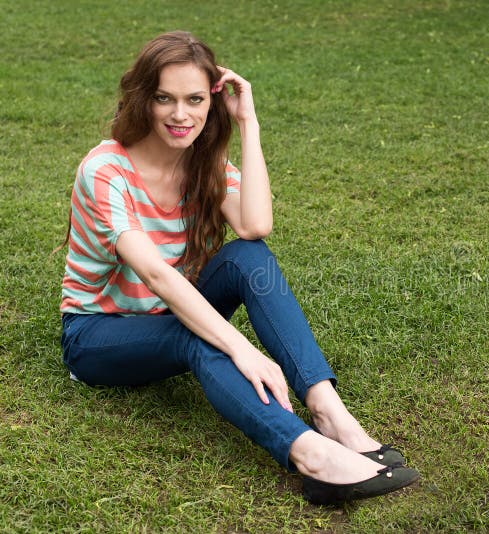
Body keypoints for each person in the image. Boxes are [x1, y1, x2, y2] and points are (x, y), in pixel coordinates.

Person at [59, 31, 418, 505]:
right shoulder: (105, 170)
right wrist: (242, 348)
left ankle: (329, 412)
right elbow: (158, 277)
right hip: (98, 334)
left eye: (193, 99)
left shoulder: (202, 163)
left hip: (168, 314)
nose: (180, 115)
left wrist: (248, 122)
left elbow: (255, 225)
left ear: (212, 102)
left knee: (249, 258)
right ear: (143, 99)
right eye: (164, 98)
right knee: (198, 336)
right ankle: (311, 456)